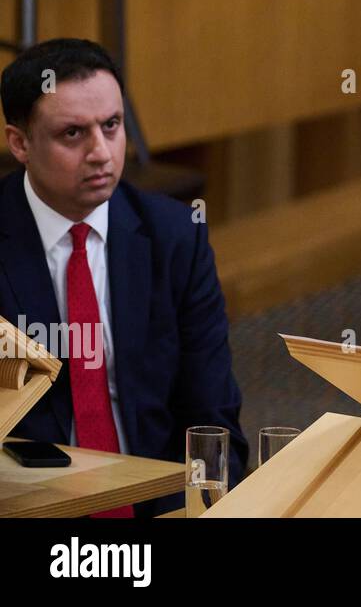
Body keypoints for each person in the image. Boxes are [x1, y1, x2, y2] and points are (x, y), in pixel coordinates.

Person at [0, 38, 247, 516]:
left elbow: (212, 423)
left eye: (111, 126)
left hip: (157, 504)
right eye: (73, 134)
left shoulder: (175, 237)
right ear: (20, 143)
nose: (101, 153)